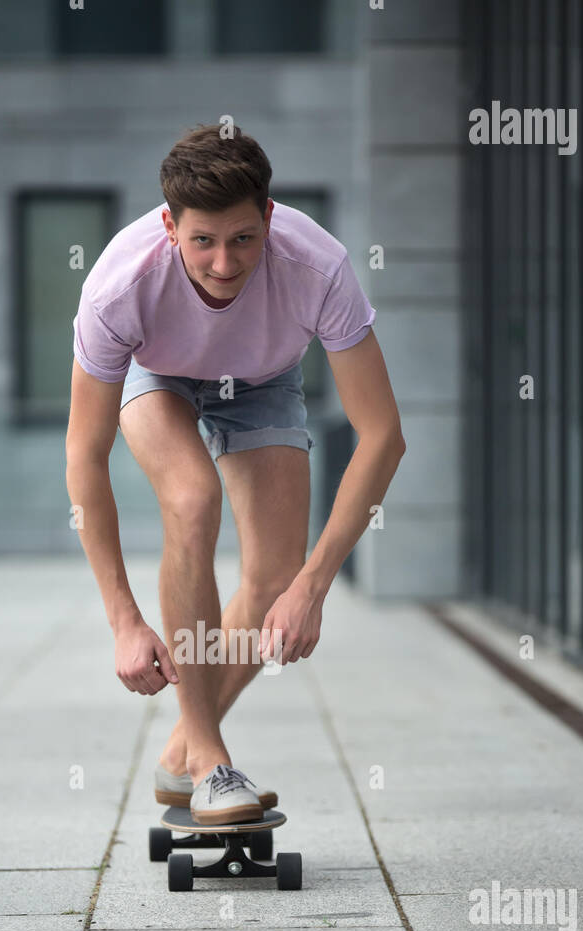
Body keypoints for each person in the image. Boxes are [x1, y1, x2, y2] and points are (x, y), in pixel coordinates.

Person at [65, 123, 405, 826]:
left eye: (243, 239)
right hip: (155, 371)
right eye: (203, 241)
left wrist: (313, 586)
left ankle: (180, 755)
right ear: (169, 226)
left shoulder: (319, 267)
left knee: (274, 578)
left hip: (262, 379)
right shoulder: (118, 288)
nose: (224, 262)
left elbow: (383, 437)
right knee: (192, 500)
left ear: (270, 219)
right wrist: (124, 621)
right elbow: (84, 453)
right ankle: (210, 762)